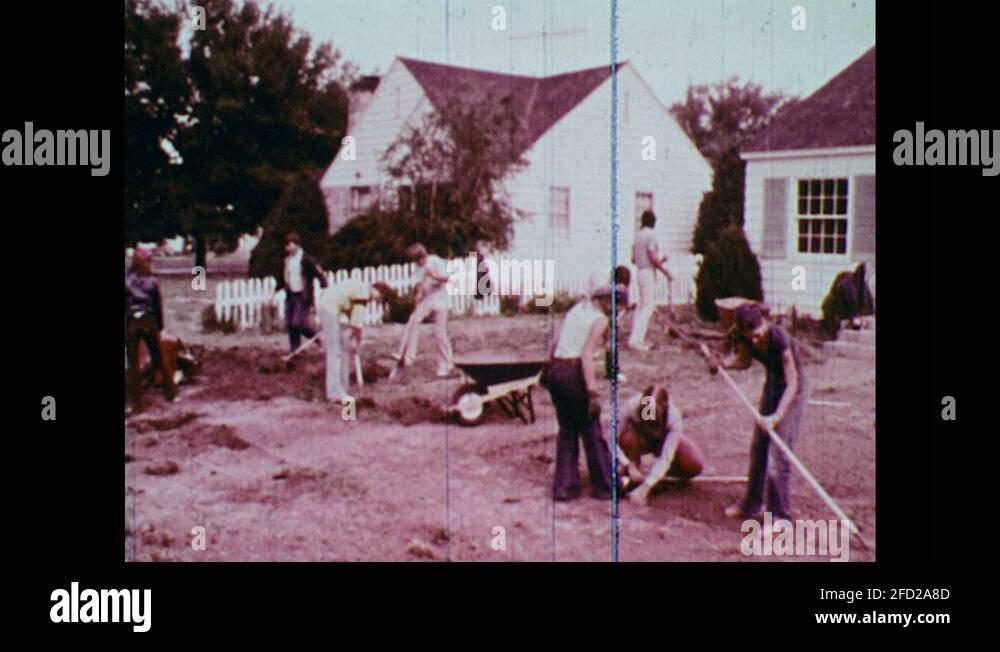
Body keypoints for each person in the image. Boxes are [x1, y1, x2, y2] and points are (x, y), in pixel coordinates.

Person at [707, 302, 809, 525]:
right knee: (758, 448)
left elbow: (792, 382)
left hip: (793, 389)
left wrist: (776, 416)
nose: (754, 340)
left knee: (779, 453)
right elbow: (743, 361)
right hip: (773, 384)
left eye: (756, 335)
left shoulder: (778, 337)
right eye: (749, 337)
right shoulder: (743, 335)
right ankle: (751, 504)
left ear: (763, 323)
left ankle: (779, 516)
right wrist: (722, 363)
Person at [545, 284, 625, 501]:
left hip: (556, 370)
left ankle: (564, 487)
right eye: (616, 306)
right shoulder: (600, 319)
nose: (616, 310)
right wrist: (591, 390)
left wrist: (548, 369)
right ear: (608, 302)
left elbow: (555, 342)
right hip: (573, 373)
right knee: (592, 431)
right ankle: (606, 487)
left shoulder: (577, 309)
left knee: (567, 430)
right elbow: (586, 355)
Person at [616, 384, 705, 506]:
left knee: (694, 464)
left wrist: (645, 488)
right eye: (645, 414)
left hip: (661, 441)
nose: (649, 420)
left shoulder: (674, 417)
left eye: (654, 416)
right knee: (627, 437)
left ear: (664, 407)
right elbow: (611, 440)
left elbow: (666, 457)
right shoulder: (629, 407)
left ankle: (658, 479)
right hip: (639, 438)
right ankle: (632, 476)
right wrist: (628, 464)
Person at [125, 248, 176, 413]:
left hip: (132, 321)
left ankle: (136, 404)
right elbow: (157, 306)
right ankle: (171, 391)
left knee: (133, 365)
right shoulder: (152, 281)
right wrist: (160, 326)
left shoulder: (126, 280)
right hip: (149, 320)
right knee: (158, 358)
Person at [394, 243, 455, 378]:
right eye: (416, 261)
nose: (418, 263)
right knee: (413, 320)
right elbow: (419, 283)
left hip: (442, 297)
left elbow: (448, 278)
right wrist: (418, 294)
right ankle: (408, 357)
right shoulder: (417, 267)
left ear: (424, 255)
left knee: (439, 332)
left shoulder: (435, 261)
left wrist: (433, 275)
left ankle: (446, 364)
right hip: (428, 298)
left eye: (419, 260)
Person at [316, 279, 382, 402]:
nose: (375, 300)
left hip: (330, 306)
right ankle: (334, 391)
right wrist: (356, 341)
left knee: (343, 349)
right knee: (335, 350)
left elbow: (354, 319)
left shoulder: (360, 289)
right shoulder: (363, 294)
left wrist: (355, 341)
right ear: (375, 289)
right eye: (378, 296)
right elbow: (356, 325)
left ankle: (343, 387)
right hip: (329, 307)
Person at [628, 210, 672, 351]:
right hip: (648, 273)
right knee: (648, 306)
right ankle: (636, 340)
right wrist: (665, 271)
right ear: (653, 222)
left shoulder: (637, 236)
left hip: (639, 272)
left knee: (641, 306)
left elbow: (633, 259)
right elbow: (652, 257)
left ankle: (634, 337)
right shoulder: (651, 236)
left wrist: (659, 261)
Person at [277, 232, 328, 353]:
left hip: (303, 296)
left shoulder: (306, 259)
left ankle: (317, 336)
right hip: (291, 295)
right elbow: (283, 278)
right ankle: (295, 349)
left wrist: (324, 286)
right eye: (286, 246)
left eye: (289, 245)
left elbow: (319, 273)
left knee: (298, 323)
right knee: (290, 324)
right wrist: (278, 289)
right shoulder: (287, 261)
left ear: (296, 245)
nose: (287, 248)